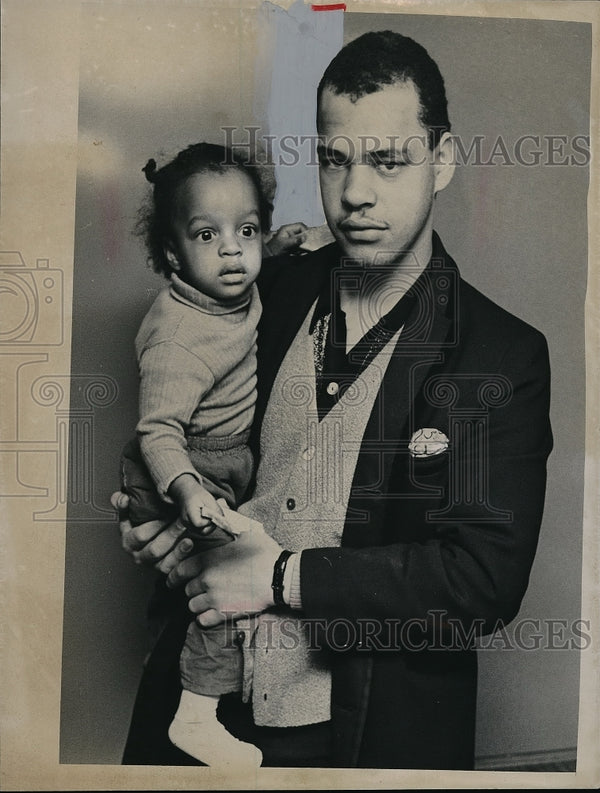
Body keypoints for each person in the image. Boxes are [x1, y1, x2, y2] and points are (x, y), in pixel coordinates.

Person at [114, 30, 553, 769]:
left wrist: (281, 577)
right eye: (334, 159)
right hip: (202, 715)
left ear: (442, 159)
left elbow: (482, 580)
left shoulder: (501, 354)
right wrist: (155, 520)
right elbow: (184, 420)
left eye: (388, 161)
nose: (354, 193)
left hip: (363, 734)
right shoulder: (264, 289)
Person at [120, 141, 279, 767]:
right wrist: (187, 491)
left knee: (191, 596)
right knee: (228, 591)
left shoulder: (231, 283)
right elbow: (158, 432)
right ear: (172, 255)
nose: (233, 251)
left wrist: (285, 243)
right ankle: (194, 717)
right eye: (207, 235)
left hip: (218, 462)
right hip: (183, 466)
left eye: (248, 231)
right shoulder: (178, 340)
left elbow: (253, 250)